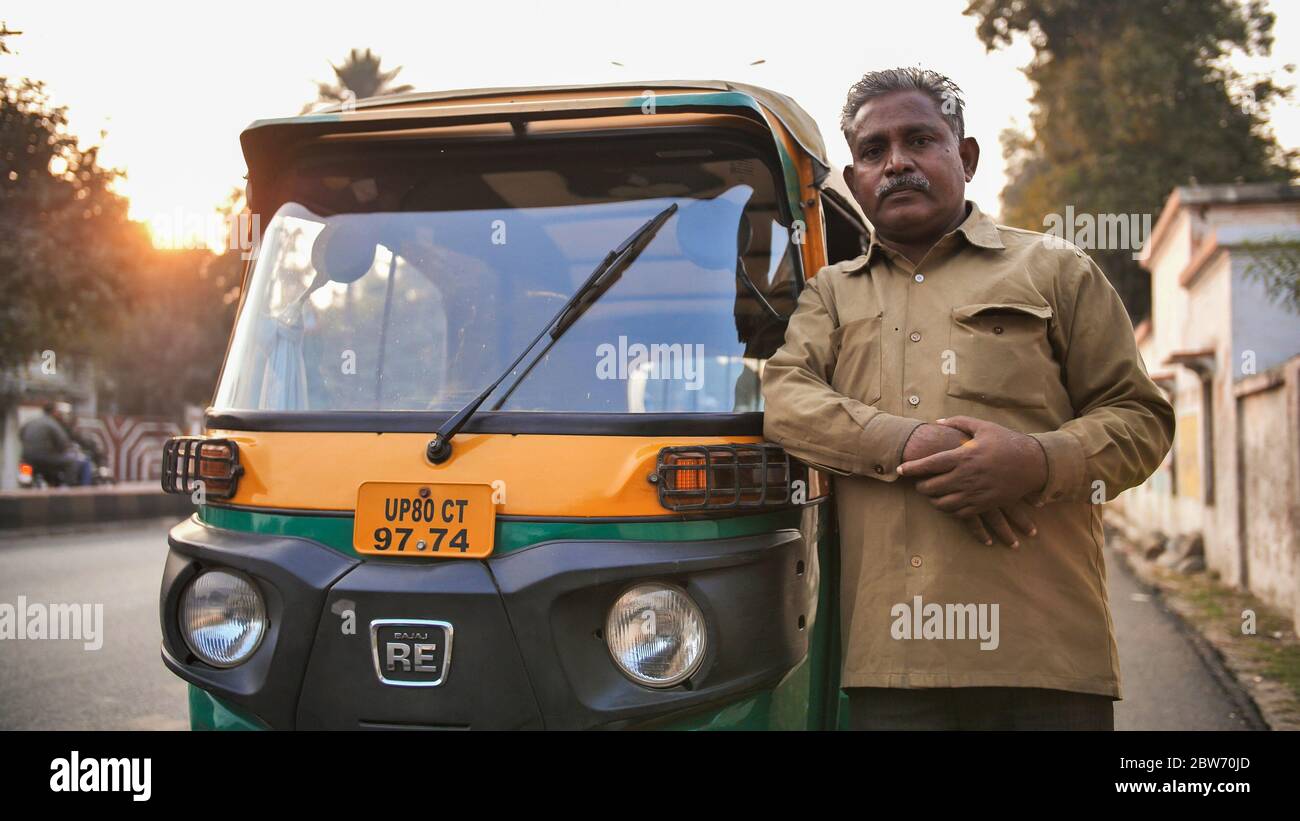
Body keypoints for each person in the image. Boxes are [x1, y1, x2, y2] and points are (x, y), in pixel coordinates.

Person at [761, 67, 1175, 730]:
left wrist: (1036, 462)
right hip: (892, 669)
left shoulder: (1055, 270)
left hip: (1046, 659)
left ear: (967, 156)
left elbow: (1141, 420)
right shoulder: (832, 295)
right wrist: (906, 442)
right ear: (856, 176)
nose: (896, 163)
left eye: (919, 139)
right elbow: (783, 398)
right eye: (873, 152)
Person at [20, 401, 92, 487]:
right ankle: (67, 490)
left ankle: (25, 486)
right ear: (54, 412)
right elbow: (63, 443)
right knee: (72, 462)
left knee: (25, 474)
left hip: (27, 459)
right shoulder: (53, 424)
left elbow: (20, 434)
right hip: (45, 458)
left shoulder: (31, 422)